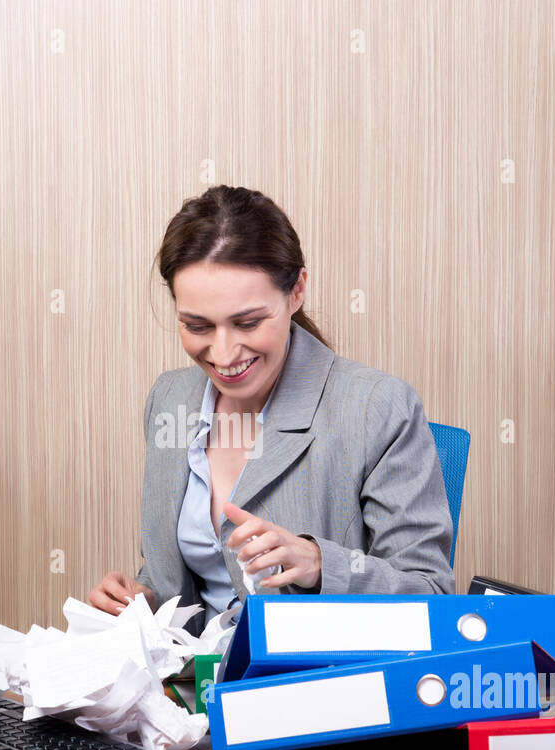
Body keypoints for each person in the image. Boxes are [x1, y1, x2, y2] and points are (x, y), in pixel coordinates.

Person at [88, 185, 454, 635]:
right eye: (197, 326)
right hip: (188, 690)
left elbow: (431, 596)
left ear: (296, 291)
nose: (222, 354)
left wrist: (321, 565)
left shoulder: (378, 408)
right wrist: (143, 600)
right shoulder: (171, 400)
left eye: (248, 322)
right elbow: (183, 581)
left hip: (314, 691)